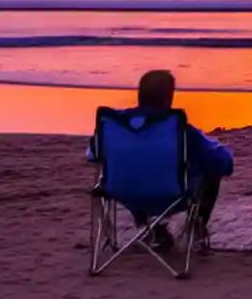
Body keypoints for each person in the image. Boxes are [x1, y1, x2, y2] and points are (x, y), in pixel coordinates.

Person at [88, 69, 234, 250]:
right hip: (171, 194)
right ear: (169, 97)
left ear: (140, 94)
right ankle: (197, 226)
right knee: (210, 170)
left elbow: (92, 155)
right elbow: (223, 162)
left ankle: (147, 226)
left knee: (135, 169)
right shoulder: (177, 128)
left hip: (121, 192)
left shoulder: (112, 124)